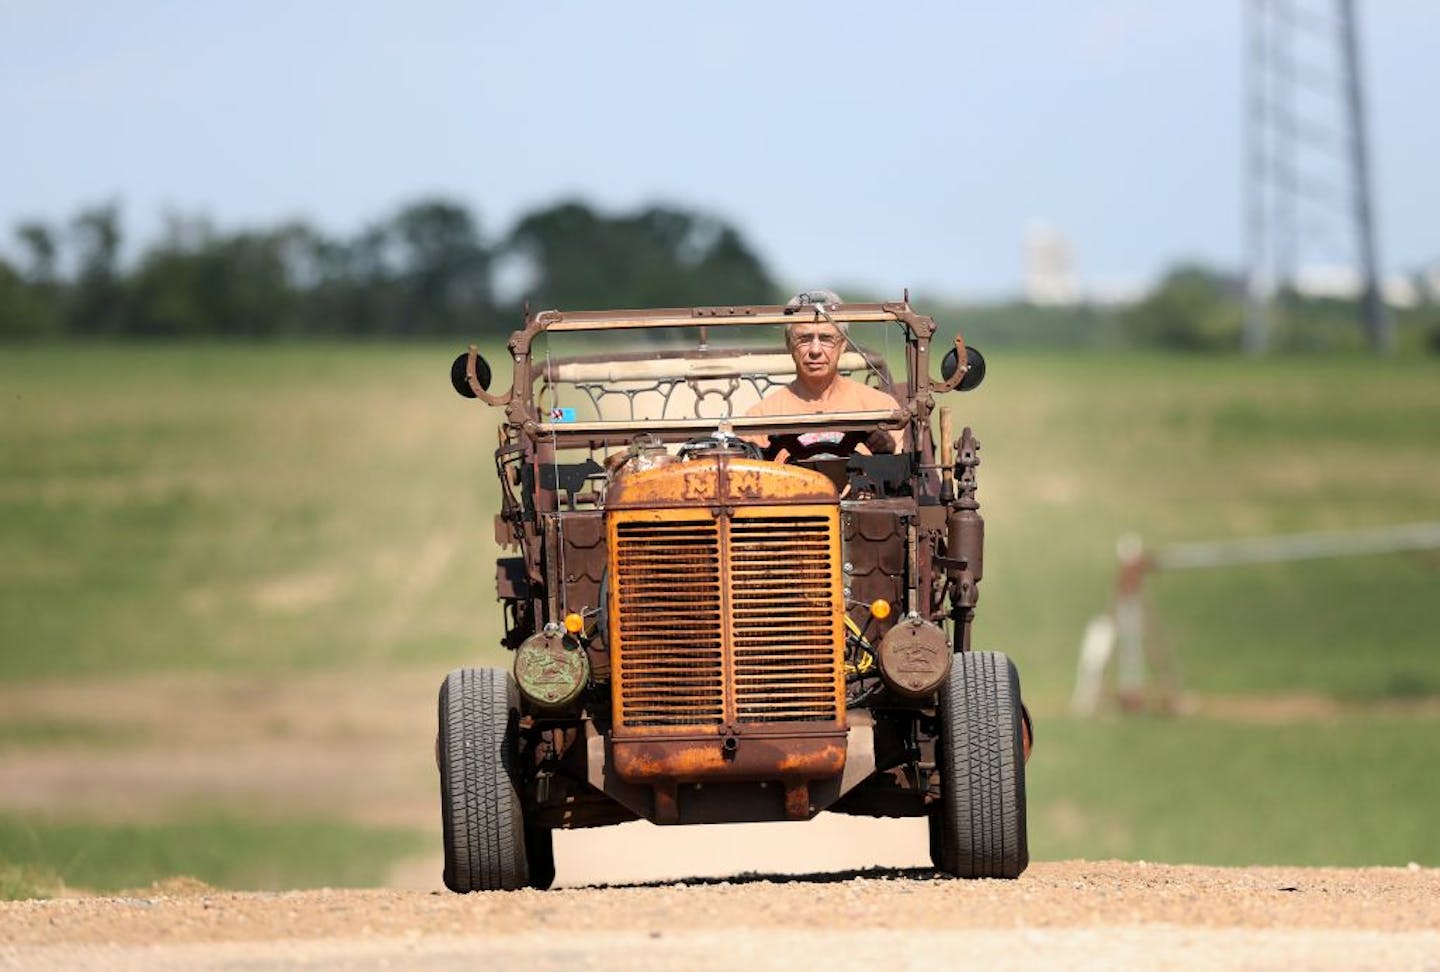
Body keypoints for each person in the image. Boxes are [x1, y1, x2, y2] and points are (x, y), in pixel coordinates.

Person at [745, 291, 905, 459]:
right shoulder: (760, 418)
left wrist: (887, 452)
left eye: (826, 338)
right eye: (804, 339)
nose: (815, 350)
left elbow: (901, 477)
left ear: (843, 344)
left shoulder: (881, 407)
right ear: (789, 344)